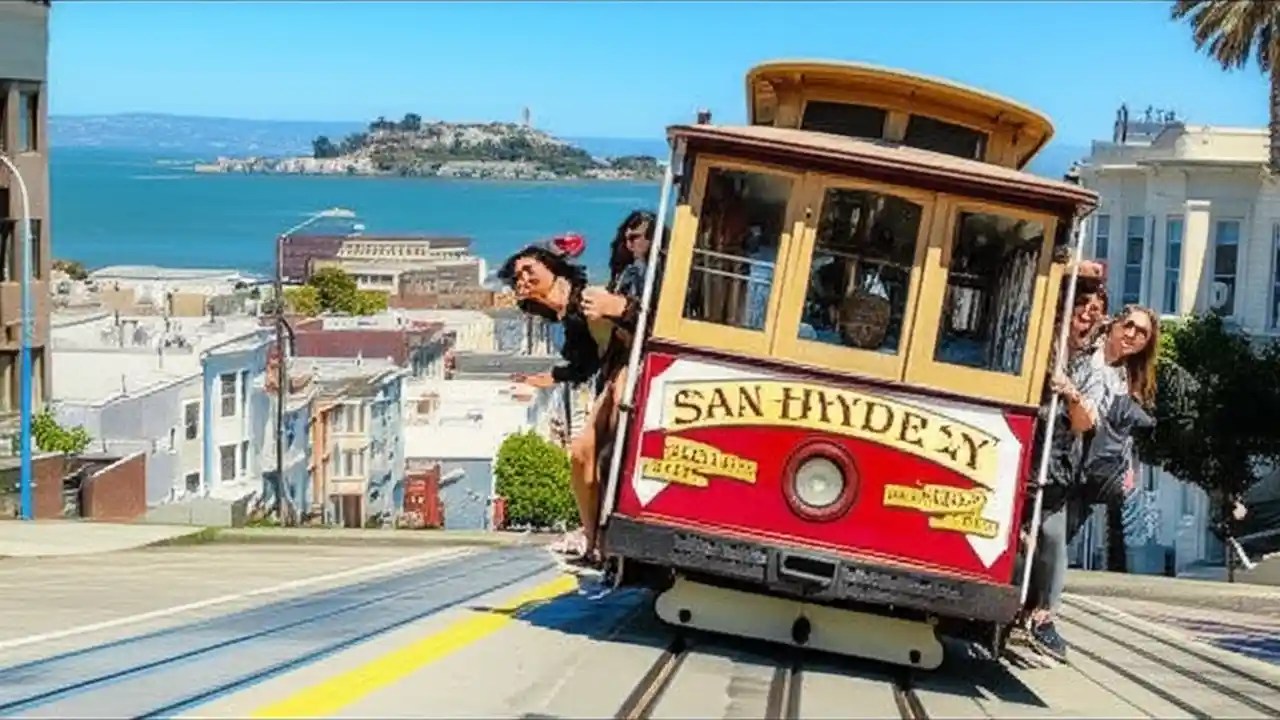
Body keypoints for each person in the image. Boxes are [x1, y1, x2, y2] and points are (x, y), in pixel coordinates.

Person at [1025, 303, 1160, 661]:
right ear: (1115, 324)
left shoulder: (1128, 378)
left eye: (1141, 332)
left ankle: (1034, 614)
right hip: (1056, 457)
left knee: (1058, 539)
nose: (1131, 334)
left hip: (1087, 474)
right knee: (1049, 535)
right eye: (1128, 325)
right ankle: (1042, 618)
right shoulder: (1086, 348)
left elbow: (1095, 425)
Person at [569, 210, 658, 566]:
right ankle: (592, 537)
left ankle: (602, 540)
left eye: (637, 237)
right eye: (627, 237)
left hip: (638, 369)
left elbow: (657, 323)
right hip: (617, 367)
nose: (630, 243)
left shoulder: (657, 274)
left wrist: (619, 309)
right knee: (581, 452)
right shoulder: (628, 272)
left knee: (611, 451)